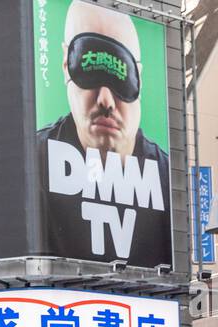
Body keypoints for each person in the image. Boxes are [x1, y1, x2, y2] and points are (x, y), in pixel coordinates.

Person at [34, 0, 171, 268]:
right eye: (90, 69)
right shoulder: (31, 162)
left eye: (121, 76)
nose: (106, 100)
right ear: (66, 66)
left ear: (139, 79)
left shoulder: (167, 179)